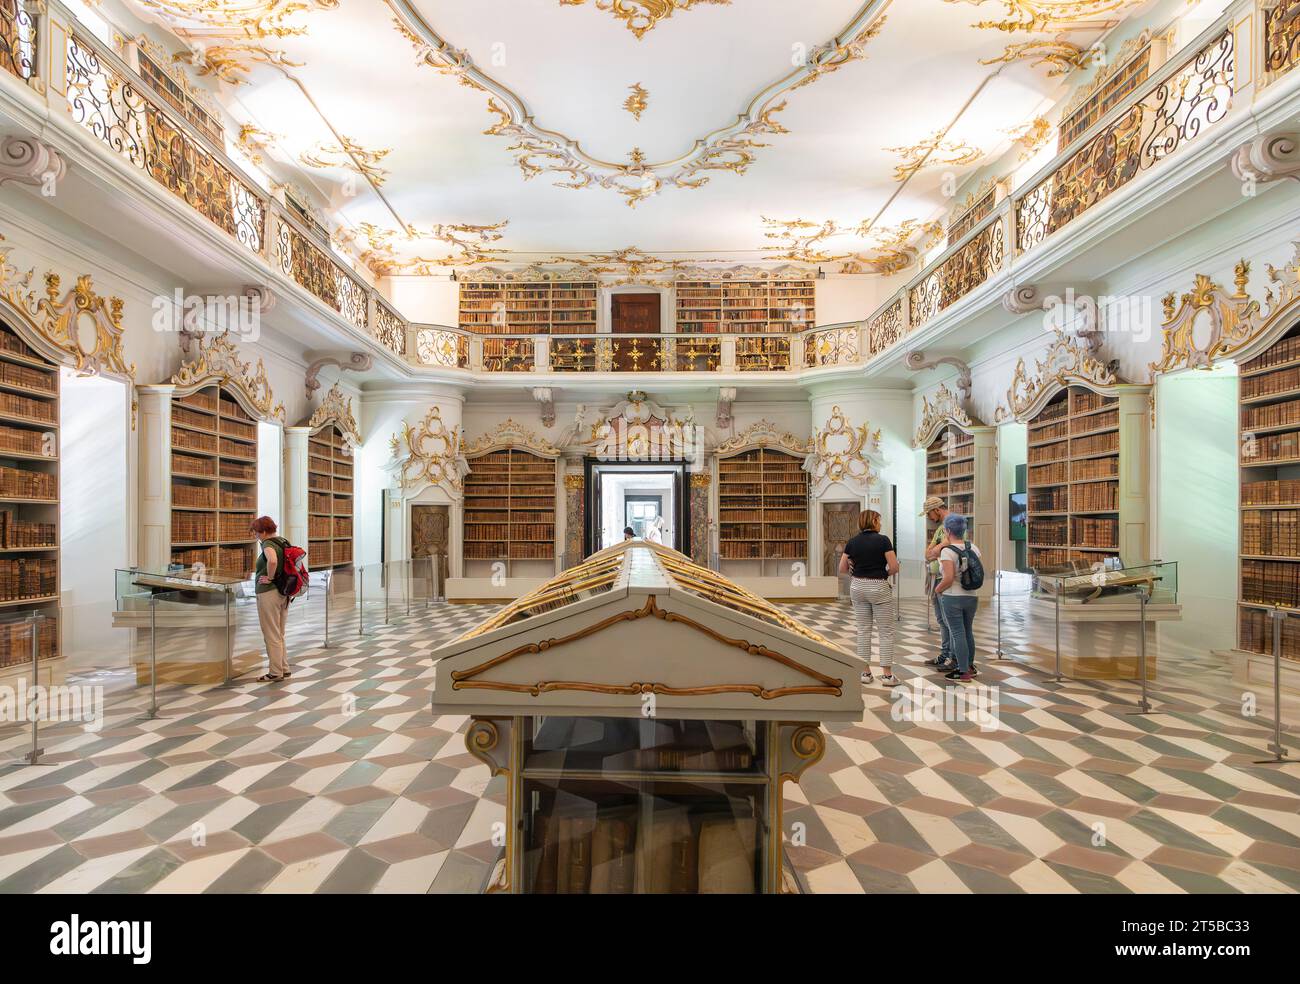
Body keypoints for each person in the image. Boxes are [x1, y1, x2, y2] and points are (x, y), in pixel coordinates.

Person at [839, 509, 901, 686]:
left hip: (857, 587)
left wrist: (856, 573)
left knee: (863, 629)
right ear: (873, 521)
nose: (880, 524)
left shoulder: (852, 542)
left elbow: (842, 568)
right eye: (879, 520)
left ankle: (865, 673)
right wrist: (884, 573)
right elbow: (894, 566)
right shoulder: (883, 540)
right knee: (886, 631)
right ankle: (888, 676)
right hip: (878, 586)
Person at [934, 513, 981, 684]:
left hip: (953, 596)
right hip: (972, 596)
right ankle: (969, 667)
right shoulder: (973, 548)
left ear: (947, 531)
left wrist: (937, 591)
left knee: (957, 633)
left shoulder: (947, 551)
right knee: (968, 631)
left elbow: (948, 578)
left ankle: (963, 672)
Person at [251, 516, 292, 683]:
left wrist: (269, 577)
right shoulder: (283, 541)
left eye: (256, 532)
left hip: (269, 592)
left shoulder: (267, 544)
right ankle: (284, 667)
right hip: (284, 592)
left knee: (271, 633)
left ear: (264, 531)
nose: (255, 535)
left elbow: (273, 560)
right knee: (279, 632)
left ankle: (275, 672)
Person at [920, 495, 955, 671]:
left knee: (949, 620)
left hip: (945, 578)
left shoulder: (954, 523)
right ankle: (945, 653)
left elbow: (953, 544)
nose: (929, 518)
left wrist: (937, 549)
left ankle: (953, 657)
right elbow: (928, 552)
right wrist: (936, 549)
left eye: (929, 514)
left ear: (937, 510)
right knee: (941, 619)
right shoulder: (940, 528)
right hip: (935, 576)